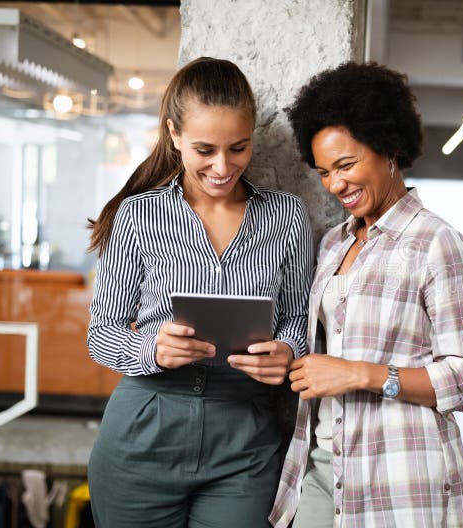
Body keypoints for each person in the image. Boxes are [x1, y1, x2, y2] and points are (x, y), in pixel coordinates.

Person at [86, 57, 313, 527]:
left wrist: (287, 351)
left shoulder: (286, 216)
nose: (222, 166)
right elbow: (101, 333)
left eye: (239, 148)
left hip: (244, 437)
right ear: (173, 135)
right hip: (144, 429)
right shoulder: (138, 216)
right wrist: (152, 348)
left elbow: (296, 318)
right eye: (204, 149)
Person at [269, 62, 463, 528]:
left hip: (400, 475)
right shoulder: (332, 243)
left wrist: (359, 374)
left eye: (346, 165)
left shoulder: (436, 242)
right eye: (324, 172)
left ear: (389, 147)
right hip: (320, 470)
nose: (335, 185)